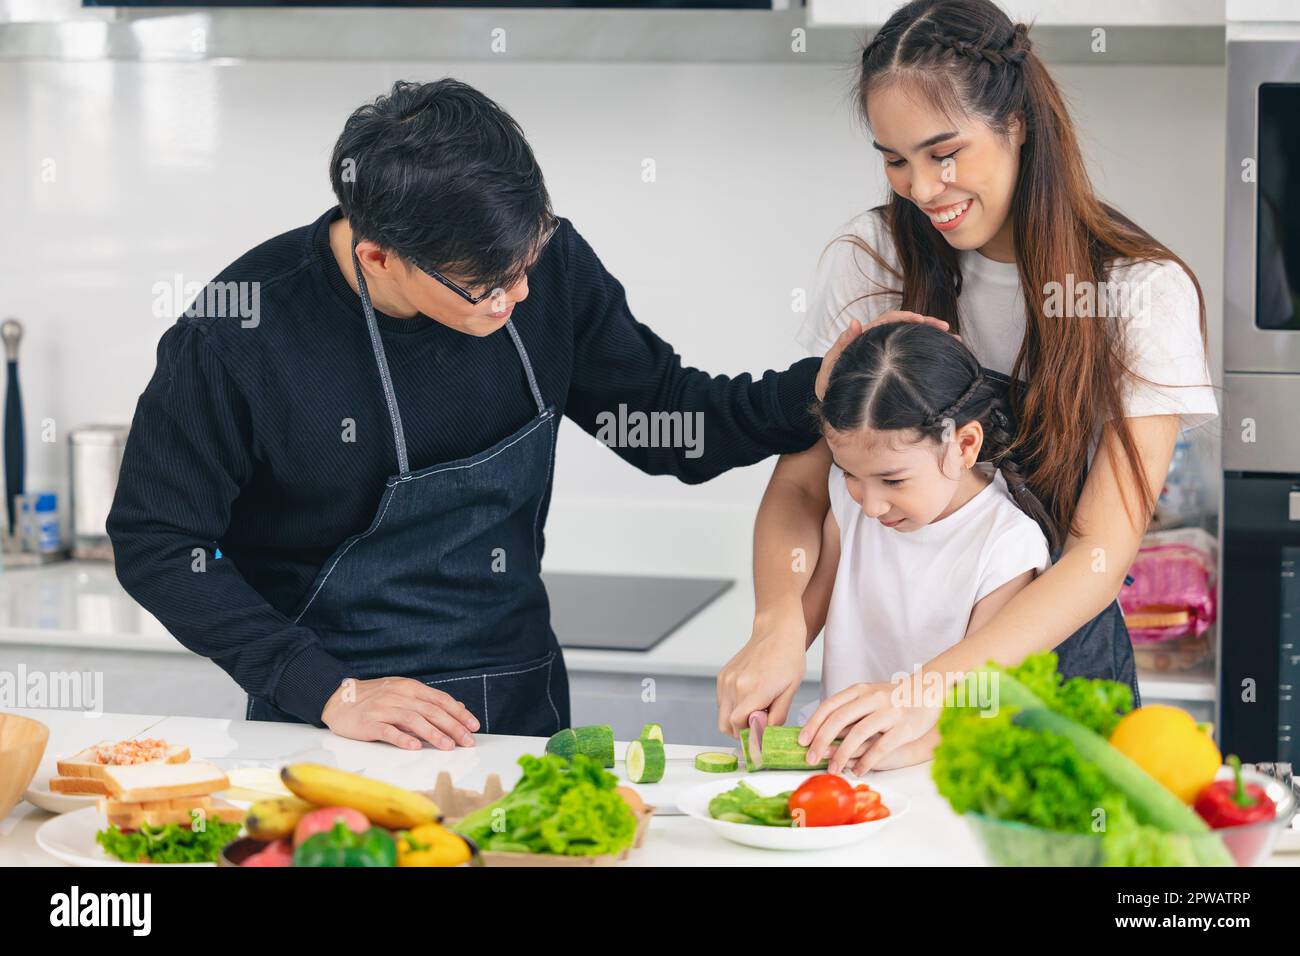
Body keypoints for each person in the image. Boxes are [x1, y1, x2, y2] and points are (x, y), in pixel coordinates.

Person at [108, 79, 827, 750]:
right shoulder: (239, 333)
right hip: (332, 729)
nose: (516, 295)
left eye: (527, 263)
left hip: (522, 699)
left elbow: (670, 424)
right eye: (486, 285)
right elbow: (159, 540)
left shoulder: (545, 266)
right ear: (379, 255)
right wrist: (325, 688)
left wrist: (821, 392)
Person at [716, 0, 1218, 773]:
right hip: (889, 707)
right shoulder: (875, 261)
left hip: (1057, 693)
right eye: (894, 159)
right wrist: (779, 620)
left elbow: (1098, 554)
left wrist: (928, 692)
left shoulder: (1140, 292)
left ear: (1016, 122)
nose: (920, 187)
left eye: (943, 152)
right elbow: (806, 485)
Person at [795, 322, 1051, 773]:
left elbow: (986, 695)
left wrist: (898, 750)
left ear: (965, 445)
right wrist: (771, 653)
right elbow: (801, 620)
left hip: (941, 772)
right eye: (851, 473)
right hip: (843, 769)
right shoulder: (850, 503)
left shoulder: (1008, 542)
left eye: (893, 480)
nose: (871, 505)